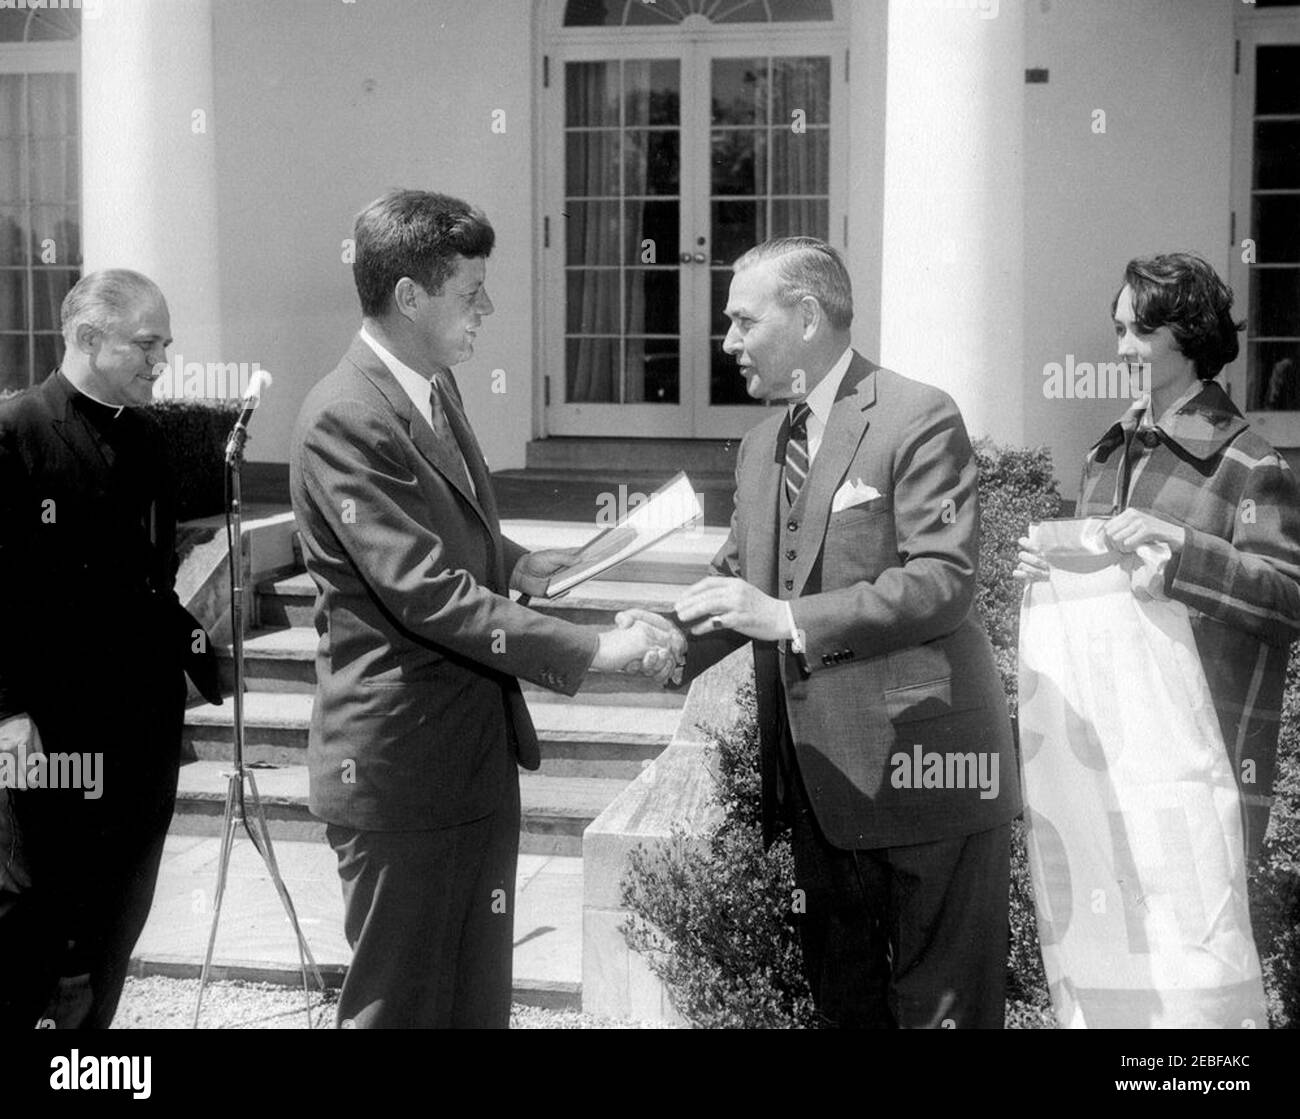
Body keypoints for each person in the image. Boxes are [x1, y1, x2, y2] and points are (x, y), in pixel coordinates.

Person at [289, 189, 678, 1029]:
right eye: (471, 294)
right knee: (399, 1009)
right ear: (408, 298)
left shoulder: (433, 387)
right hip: (398, 773)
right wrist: (592, 649)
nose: (488, 310)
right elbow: (423, 591)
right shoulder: (346, 415)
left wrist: (522, 562)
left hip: (469, 760)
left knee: (473, 1007)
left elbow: (450, 535)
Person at [656, 236, 1021, 1028]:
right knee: (844, 1011)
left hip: (933, 777)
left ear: (808, 315)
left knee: (943, 1015)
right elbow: (736, 590)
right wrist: (655, 639)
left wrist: (787, 618)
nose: (727, 343)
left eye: (743, 321)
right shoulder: (760, 448)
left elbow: (943, 582)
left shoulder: (918, 414)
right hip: (820, 794)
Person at [0, 269, 221, 1029]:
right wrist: (7, 714)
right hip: (47, 739)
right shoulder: (17, 431)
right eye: (146, 343)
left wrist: (195, 658)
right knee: (33, 921)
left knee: (117, 919)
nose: (161, 360)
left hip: (141, 734)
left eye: (166, 344)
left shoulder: (149, 438)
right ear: (88, 338)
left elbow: (150, 580)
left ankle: (88, 1058)